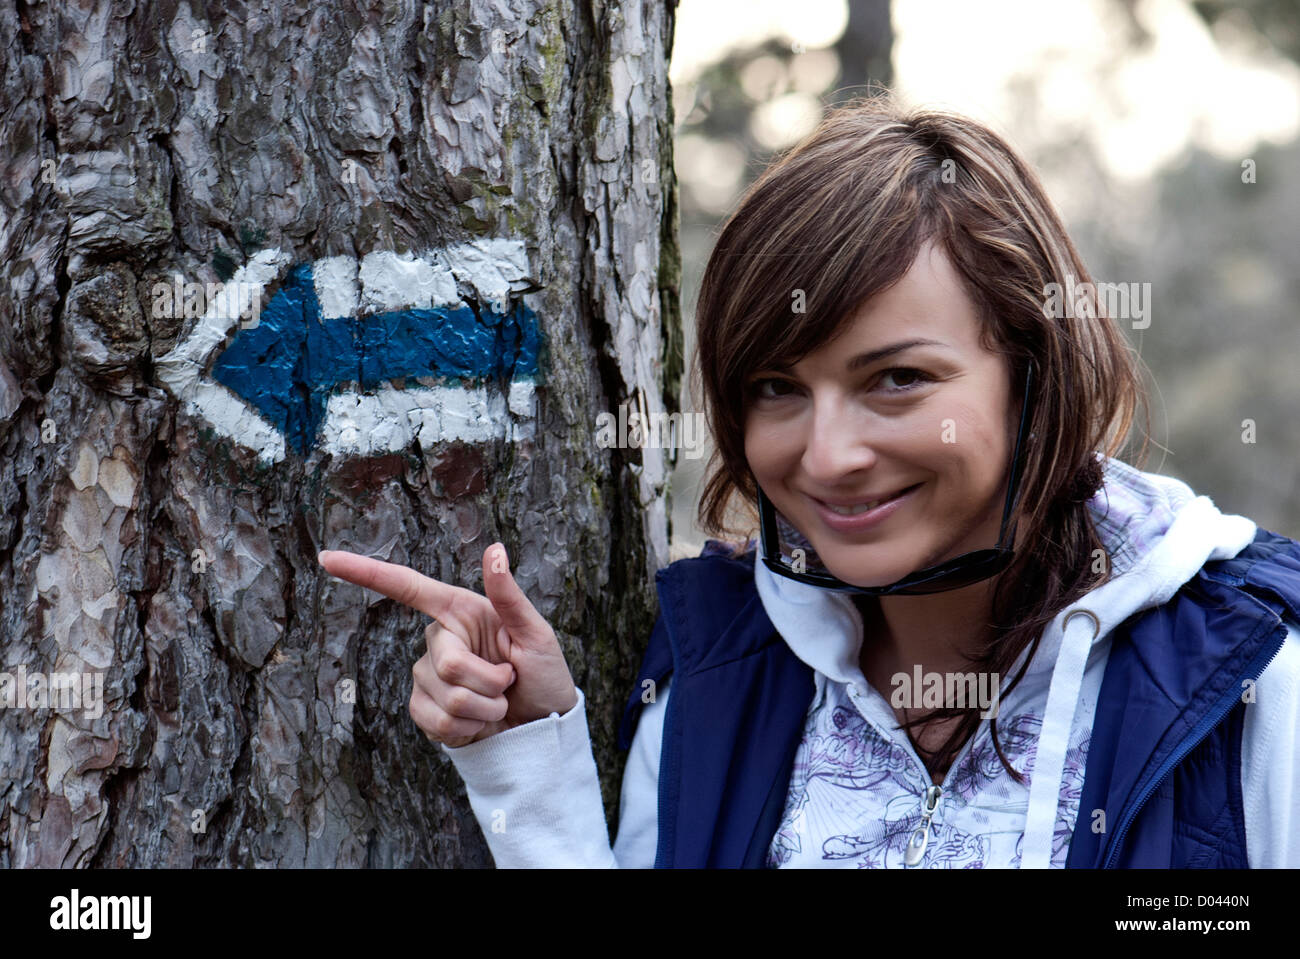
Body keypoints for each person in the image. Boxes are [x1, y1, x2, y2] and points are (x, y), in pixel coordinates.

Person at [317, 96, 1300, 868]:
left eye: (897, 379)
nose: (825, 455)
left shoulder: (1254, 675)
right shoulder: (717, 673)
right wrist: (529, 751)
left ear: (1033, 373)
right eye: (778, 387)